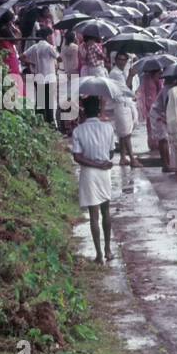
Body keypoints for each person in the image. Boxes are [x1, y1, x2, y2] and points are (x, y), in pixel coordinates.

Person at [71, 96, 115, 263]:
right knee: (106, 211)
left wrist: (94, 163)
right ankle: (108, 250)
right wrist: (101, 162)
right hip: (104, 173)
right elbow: (111, 153)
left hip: (89, 174)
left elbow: (77, 157)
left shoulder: (78, 130)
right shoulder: (108, 128)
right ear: (98, 110)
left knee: (94, 216)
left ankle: (98, 254)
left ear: (83, 111)